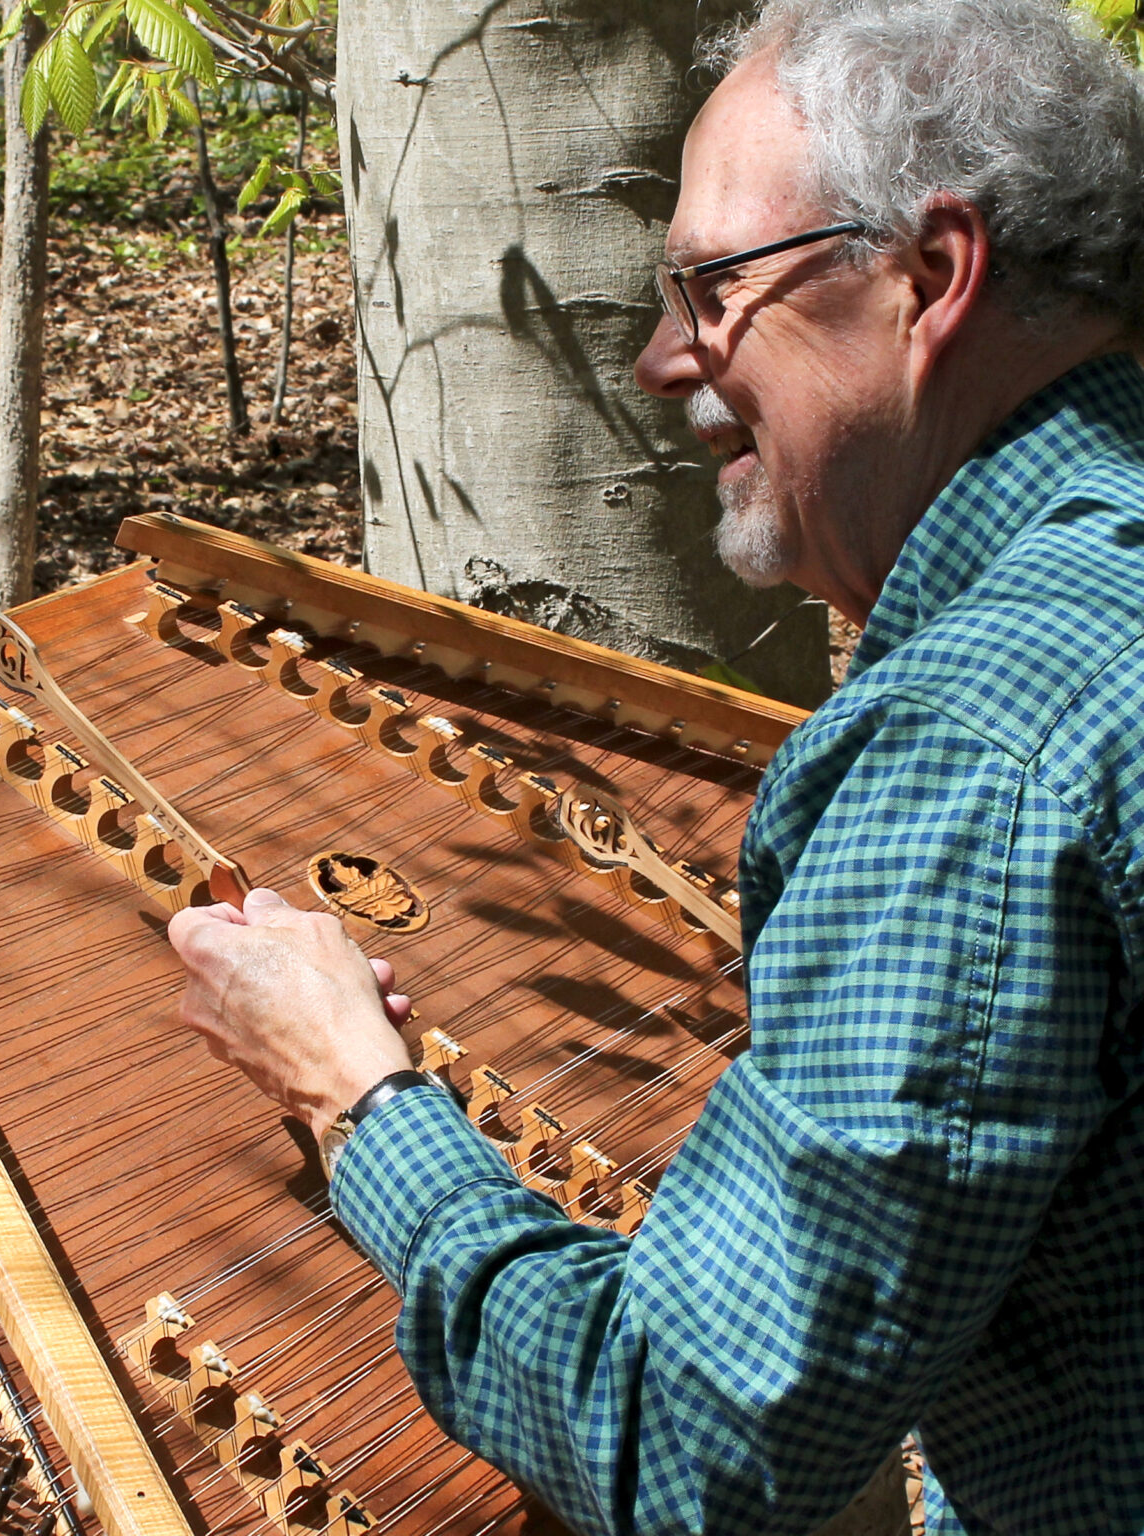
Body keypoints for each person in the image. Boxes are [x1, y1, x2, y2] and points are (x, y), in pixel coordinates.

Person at [167, 0, 1144, 1529]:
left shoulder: (979, 751)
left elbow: (688, 1438)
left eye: (711, 287)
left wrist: (357, 1095)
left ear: (931, 277)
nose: (659, 356)